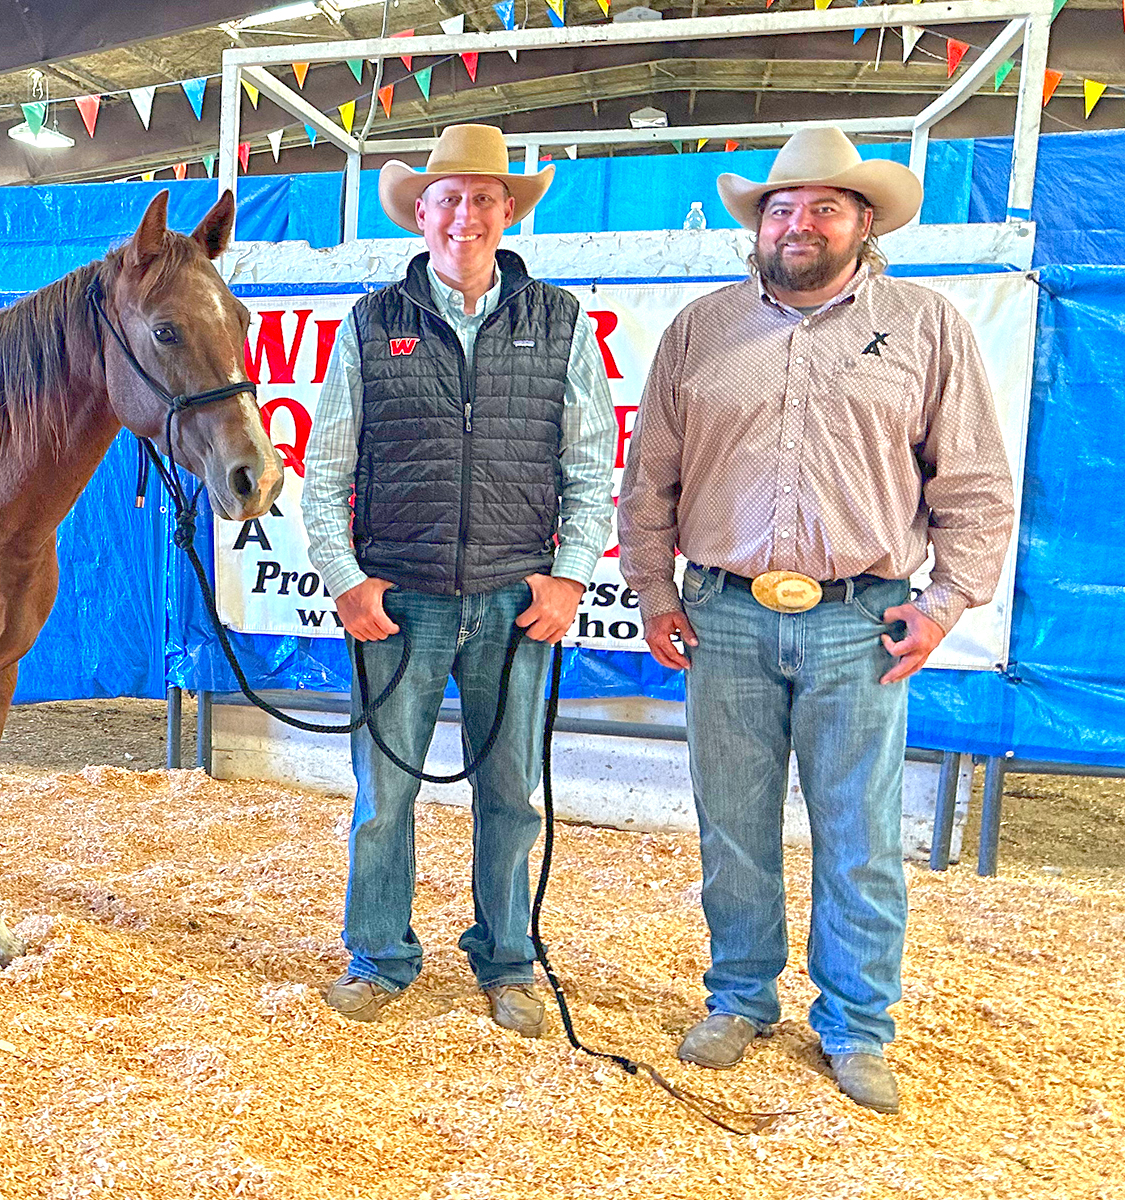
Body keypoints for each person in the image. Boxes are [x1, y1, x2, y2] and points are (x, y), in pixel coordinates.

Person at [618, 126, 1016, 1112]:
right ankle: (741, 997)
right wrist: (655, 591)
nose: (799, 224)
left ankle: (855, 1025)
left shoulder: (928, 326)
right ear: (761, 224)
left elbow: (973, 482)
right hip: (724, 613)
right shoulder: (699, 330)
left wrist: (945, 603)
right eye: (782, 209)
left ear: (864, 221)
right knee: (734, 826)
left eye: (823, 207)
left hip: (862, 620)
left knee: (861, 834)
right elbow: (648, 482)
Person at [302, 124, 616, 1038]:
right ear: (422, 214)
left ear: (507, 211)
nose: (465, 215)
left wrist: (568, 578)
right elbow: (327, 470)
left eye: (484, 198)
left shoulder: (559, 322)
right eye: (449, 199)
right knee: (382, 794)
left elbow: (591, 468)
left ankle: (508, 961)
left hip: (515, 604)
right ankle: (379, 955)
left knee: (512, 791)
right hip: (398, 604)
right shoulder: (371, 324)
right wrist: (345, 578)